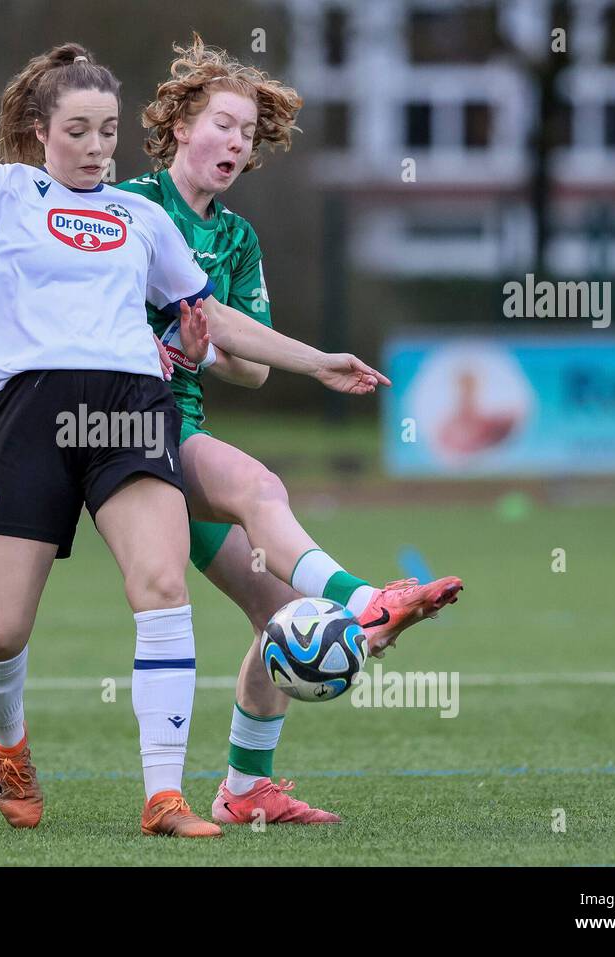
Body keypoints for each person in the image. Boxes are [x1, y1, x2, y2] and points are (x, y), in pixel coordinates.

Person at [0, 42, 387, 836]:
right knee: (1, 630)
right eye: (79, 131)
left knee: (162, 588)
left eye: (108, 132)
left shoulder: (139, 217)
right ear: (41, 130)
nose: (98, 148)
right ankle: (11, 746)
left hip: (130, 410)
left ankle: (164, 796)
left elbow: (217, 319)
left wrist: (315, 361)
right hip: (31, 414)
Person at [115, 36, 463, 825]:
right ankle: (370, 597)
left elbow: (247, 365)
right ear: (178, 127)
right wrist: (314, 359)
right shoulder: (131, 208)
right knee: (259, 486)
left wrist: (206, 349)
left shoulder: (237, 240)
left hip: (181, 426)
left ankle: (244, 789)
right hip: (123, 430)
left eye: (248, 133)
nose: (237, 142)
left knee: (281, 615)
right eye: (223, 124)